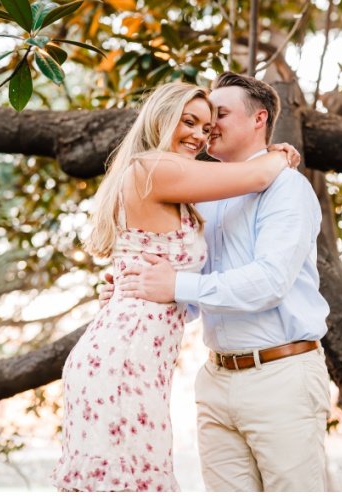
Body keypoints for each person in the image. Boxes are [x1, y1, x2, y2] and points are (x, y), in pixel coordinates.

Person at [51, 81, 299, 491]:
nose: (200, 136)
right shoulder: (153, 169)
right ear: (161, 118)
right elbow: (257, 176)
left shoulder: (167, 177)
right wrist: (280, 153)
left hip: (137, 352)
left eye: (206, 127)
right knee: (132, 483)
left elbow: (171, 272)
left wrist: (128, 284)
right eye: (189, 122)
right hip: (125, 357)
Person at [116, 72, 330, 491]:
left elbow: (268, 282)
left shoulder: (286, 188)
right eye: (205, 115)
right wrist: (140, 288)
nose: (210, 125)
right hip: (215, 378)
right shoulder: (206, 196)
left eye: (221, 113)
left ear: (259, 119)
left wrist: (176, 285)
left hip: (280, 375)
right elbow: (196, 295)